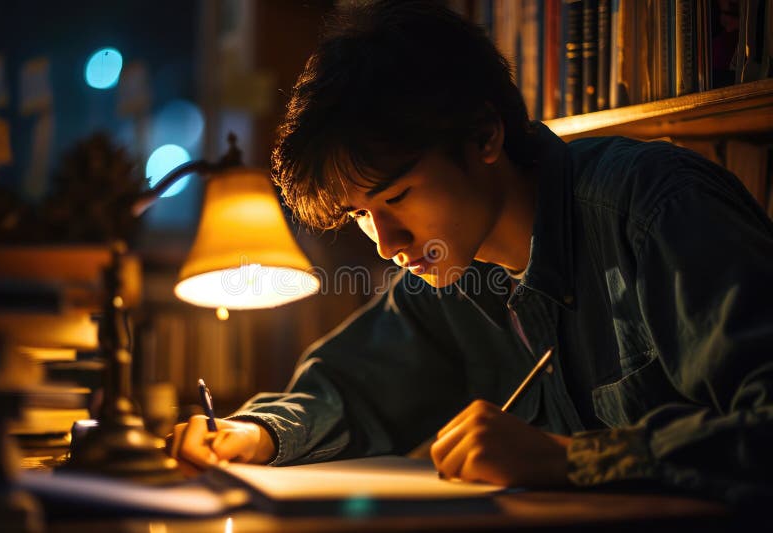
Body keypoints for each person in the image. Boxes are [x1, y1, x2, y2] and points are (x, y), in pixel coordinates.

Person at [167, 0, 773, 504]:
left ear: (486, 135)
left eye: (398, 196)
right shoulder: (450, 272)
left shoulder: (655, 211)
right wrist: (253, 433)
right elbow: (346, 390)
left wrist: (574, 459)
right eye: (359, 216)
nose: (387, 244)